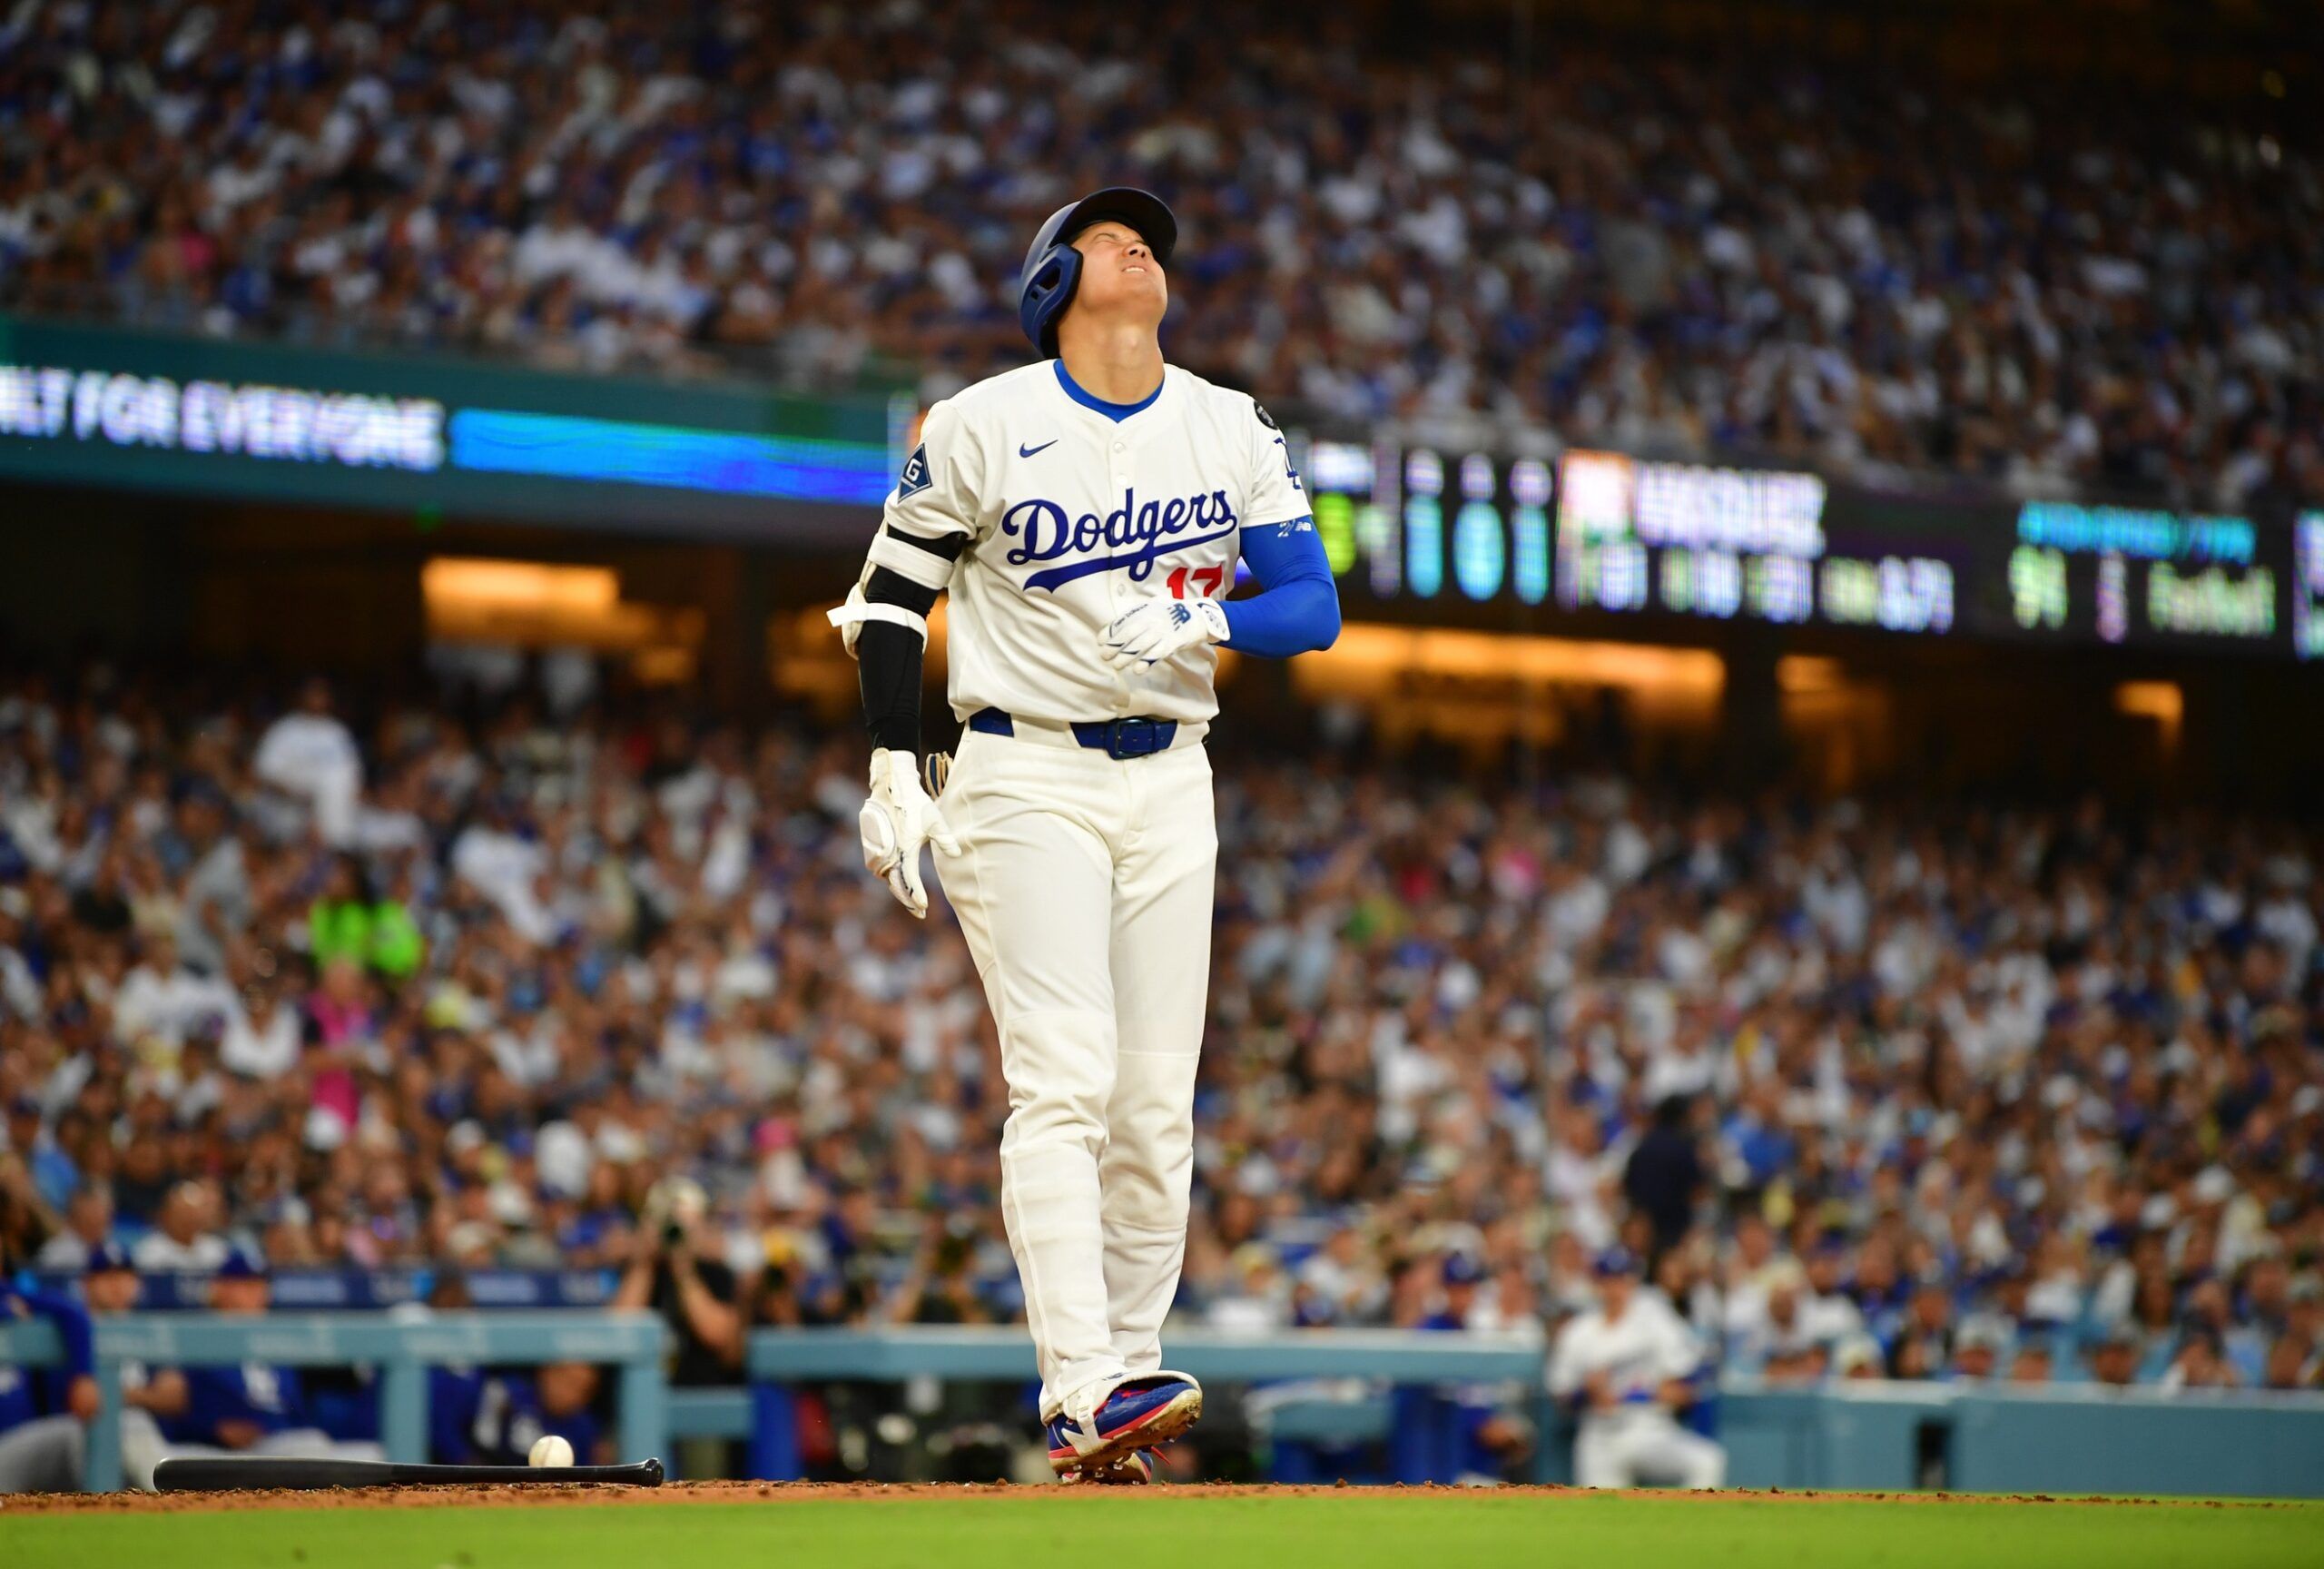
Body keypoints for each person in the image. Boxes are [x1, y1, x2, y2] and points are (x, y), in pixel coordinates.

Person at [829, 187, 1338, 1484]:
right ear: (1054, 282)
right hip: (1022, 769)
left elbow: (1312, 604)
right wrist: (895, 759)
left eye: (1148, 236)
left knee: (1156, 1105)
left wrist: (1205, 625)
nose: (1138, 245)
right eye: (1107, 235)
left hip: (1174, 775)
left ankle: (1124, 1389)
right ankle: (1083, 1390)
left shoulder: (1227, 424)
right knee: (1064, 1079)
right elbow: (890, 599)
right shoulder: (986, 420)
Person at [1547, 1248, 1726, 1490]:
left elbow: (1694, 1370)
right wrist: (1586, 1392)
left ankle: (1690, 1526)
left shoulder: (1653, 1316)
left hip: (1648, 1428)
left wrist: (1676, 1389)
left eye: (1622, 1277)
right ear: (1597, 1283)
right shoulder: (1579, 1331)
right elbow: (1561, 1396)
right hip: (1600, 1436)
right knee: (1600, 1518)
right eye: (1609, 1278)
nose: (1616, 1286)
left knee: (1707, 1461)